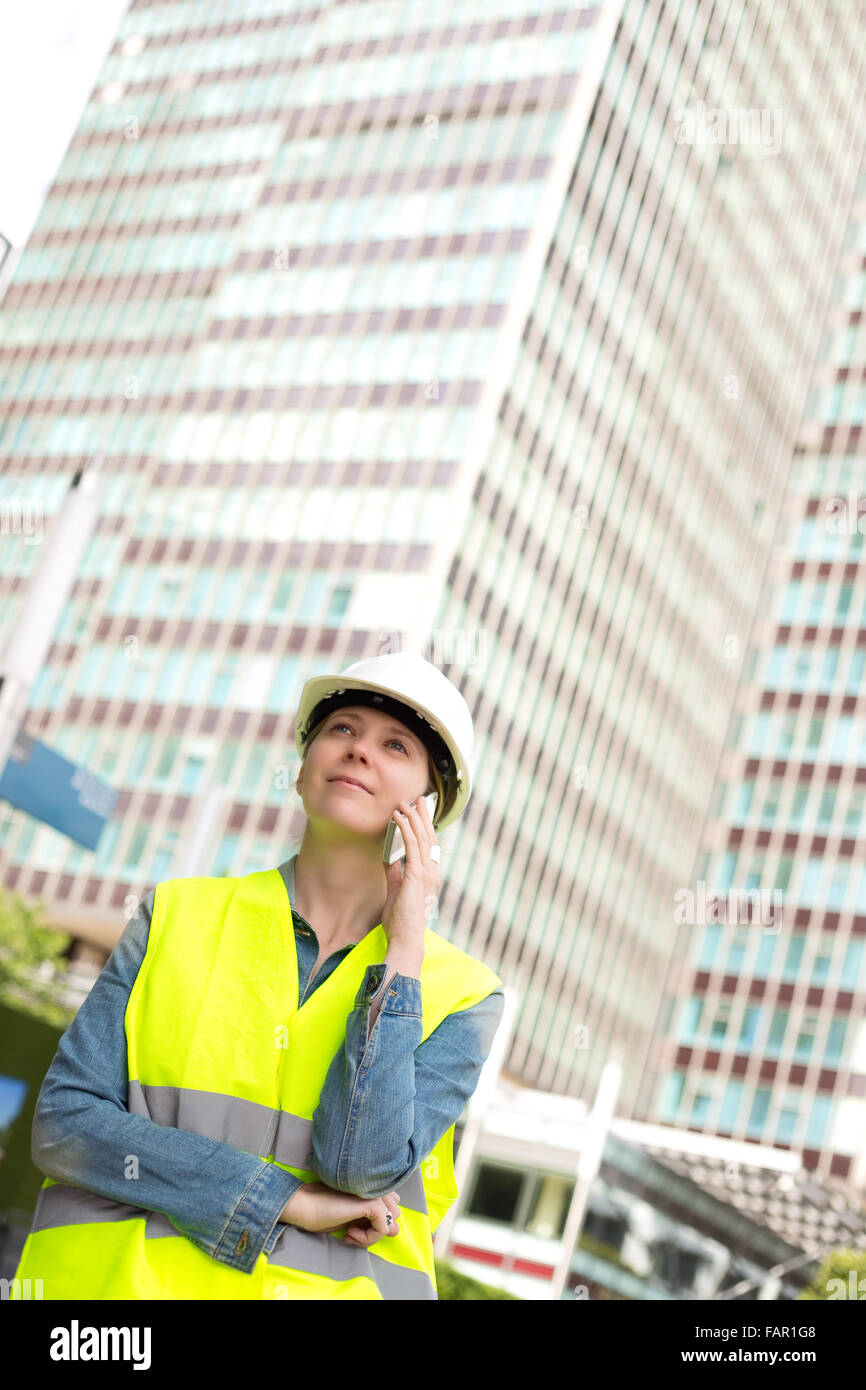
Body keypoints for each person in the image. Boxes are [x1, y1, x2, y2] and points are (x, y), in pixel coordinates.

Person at [13, 651, 504, 1299]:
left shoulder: (461, 994)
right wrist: (277, 1199)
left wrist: (404, 949)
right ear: (302, 772)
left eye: (395, 745)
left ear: (427, 806)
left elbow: (359, 1169)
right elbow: (66, 1126)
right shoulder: (176, 914)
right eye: (342, 729)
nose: (359, 751)